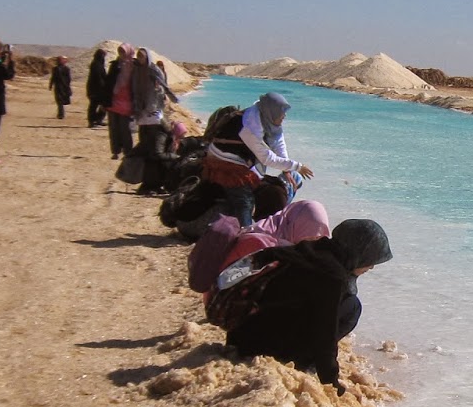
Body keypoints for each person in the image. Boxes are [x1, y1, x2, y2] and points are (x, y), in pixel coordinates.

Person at [223, 218, 392, 394]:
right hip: (259, 349)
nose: (371, 266)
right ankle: (301, 360)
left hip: (239, 335)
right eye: (371, 259)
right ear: (359, 252)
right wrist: (332, 383)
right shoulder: (331, 275)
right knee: (352, 307)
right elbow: (325, 335)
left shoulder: (305, 250)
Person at [201, 92, 315, 227]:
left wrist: (287, 169)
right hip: (225, 163)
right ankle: (245, 231)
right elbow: (266, 158)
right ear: (271, 112)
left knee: (290, 179)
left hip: (241, 161)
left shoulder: (264, 117)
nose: (284, 116)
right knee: (244, 200)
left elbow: (278, 143)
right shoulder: (250, 127)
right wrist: (297, 166)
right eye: (281, 113)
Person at [188, 199, 331, 293]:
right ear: (296, 224)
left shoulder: (272, 228)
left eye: (319, 236)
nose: (313, 242)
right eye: (311, 234)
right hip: (220, 299)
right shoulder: (262, 244)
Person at [130, 49, 177, 194]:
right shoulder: (139, 70)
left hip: (149, 115)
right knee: (154, 153)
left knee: (153, 152)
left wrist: (171, 96)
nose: (140, 59)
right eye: (139, 56)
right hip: (148, 117)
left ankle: (153, 184)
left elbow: (162, 86)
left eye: (142, 56)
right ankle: (151, 185)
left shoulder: (149, 70)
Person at [105, 42, 135, 159]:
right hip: (113, 101)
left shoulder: (134, 66)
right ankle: (115, 151)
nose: (121, 54)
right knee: (114, 128)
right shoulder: (115, 65)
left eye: (123, 51)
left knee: (125, 129)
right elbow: (109, 83)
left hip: (127, 102)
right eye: (120, 51)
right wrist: (104, 101)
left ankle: (128, 152)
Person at [85, 44, 109, 127]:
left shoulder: (98, 64)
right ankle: (92, 121)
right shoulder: (96, 65)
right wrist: (104, 87)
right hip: (95, 90)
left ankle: (98, 120)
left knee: (104, 105)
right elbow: (98, 78)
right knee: (93, 106)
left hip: (98, 89)